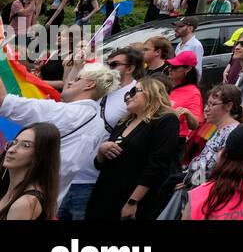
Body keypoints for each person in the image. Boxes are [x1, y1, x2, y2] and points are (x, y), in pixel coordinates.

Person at [0, 59, 118, 220]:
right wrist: (75, 67)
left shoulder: (66, 113)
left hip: (21, 195)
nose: (68, 83)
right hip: (48, 202)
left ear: (89, 85)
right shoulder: (99, 124)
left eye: (77, 79)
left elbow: (4, 102)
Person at [85, 77, 183, 221]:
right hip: (104, 193)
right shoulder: (124, 121)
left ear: (151, 93)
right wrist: (101, 151)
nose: (128, 96)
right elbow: (100, 164)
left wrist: (133, 201)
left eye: (133, 91)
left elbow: (157, 165)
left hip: (132, 198)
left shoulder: (166, 121)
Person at [183, 84, 243, 188]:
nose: (206, 109)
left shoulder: (232, 133)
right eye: (207, 104)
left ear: (229, 106)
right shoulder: (219, 129)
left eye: (213, 104)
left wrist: (190, 182)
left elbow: (215, 170)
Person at [0, 123, 60, 220]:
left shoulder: (24, 203)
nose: (11, 150)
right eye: (14, 142)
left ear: (40, 155)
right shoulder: (9, 190)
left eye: (25, 145)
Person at [166, 51, 204, 140]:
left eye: (174, 67)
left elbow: (195, 125)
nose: (170, 69)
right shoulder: (169, 85)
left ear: (188, 69)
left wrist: (187, 112)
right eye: (170, 66)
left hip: (175, 140)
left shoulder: (193, 93)